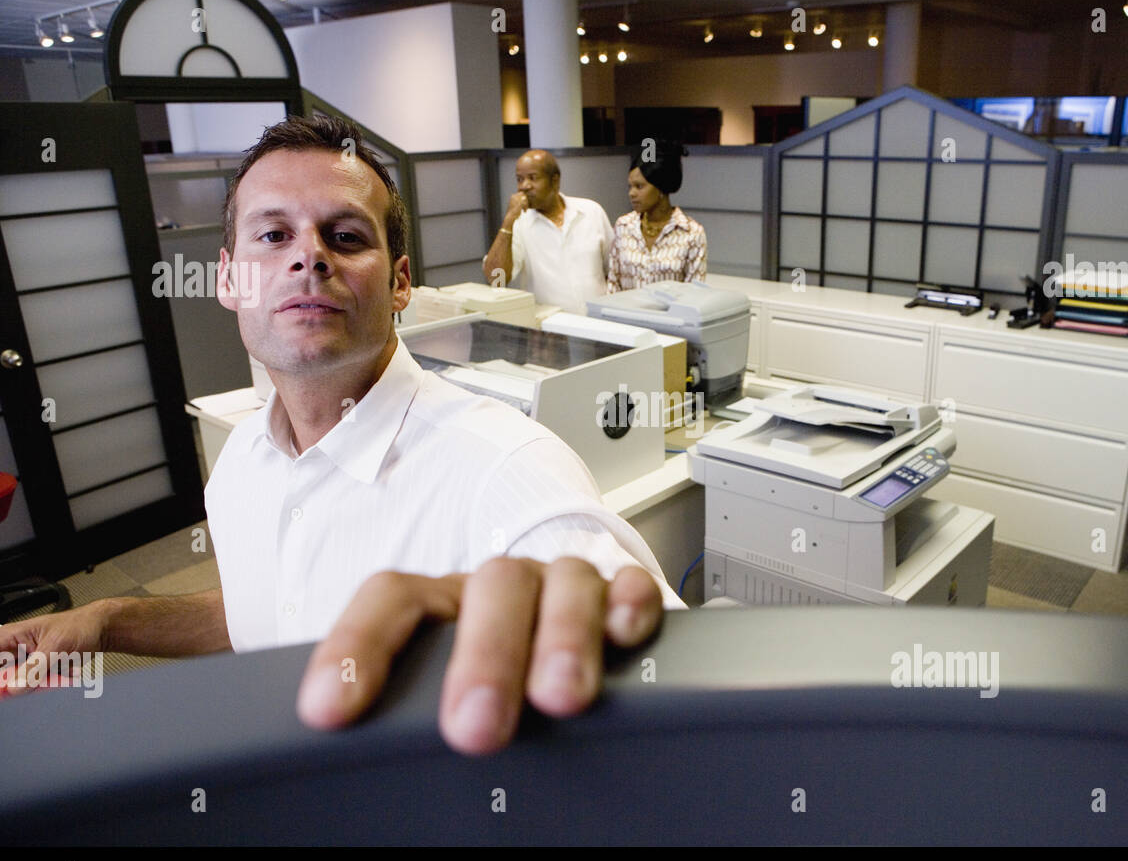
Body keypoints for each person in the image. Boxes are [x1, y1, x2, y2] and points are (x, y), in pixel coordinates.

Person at [0, 114, 675, 756]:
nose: (309, 257)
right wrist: (107, 619)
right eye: (273, 236)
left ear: (401, 283)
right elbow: (266, 610)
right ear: (229, 280)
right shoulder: (242, 459)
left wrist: (591, 645)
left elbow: (674, 694)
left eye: (346, 236)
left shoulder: (507, 470)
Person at [481, 149, 614, 314]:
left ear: (555, 181)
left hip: (599, 322)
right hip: (550, 330)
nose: (524, 186)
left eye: (533, 178)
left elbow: (614, 269)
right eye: (519, 179)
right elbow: (496, 279)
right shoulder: (519, 224)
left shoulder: (591, 211)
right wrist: (508, 221)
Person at [607, 140, 707, 293]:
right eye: (630, 186)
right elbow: (613, 285)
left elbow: (695, 294)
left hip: (671, 316)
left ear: (661, 187)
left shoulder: (691, 233)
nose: (631, 193)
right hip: (625, 314)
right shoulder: (623, 226)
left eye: (639, 186)